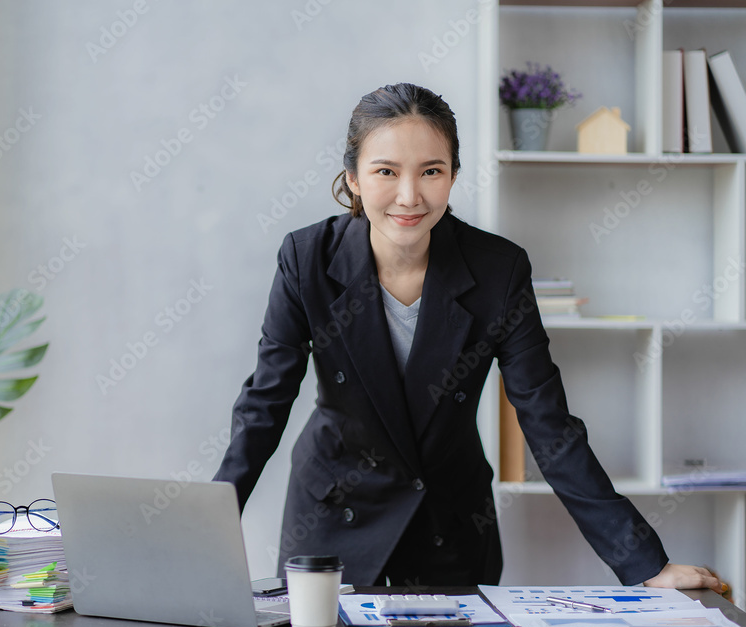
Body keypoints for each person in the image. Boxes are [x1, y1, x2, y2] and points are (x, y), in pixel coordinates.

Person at [213, 82, 725, 593]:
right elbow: (265, 403)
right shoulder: (306, 260)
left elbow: (548, 425)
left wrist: (644, 564)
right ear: (353, 178)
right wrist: (204, 539)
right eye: (386, 171)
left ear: (454, 175)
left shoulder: (499, 270)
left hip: (450, 519)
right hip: (334, 511)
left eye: (431, 171)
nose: (409, 196)